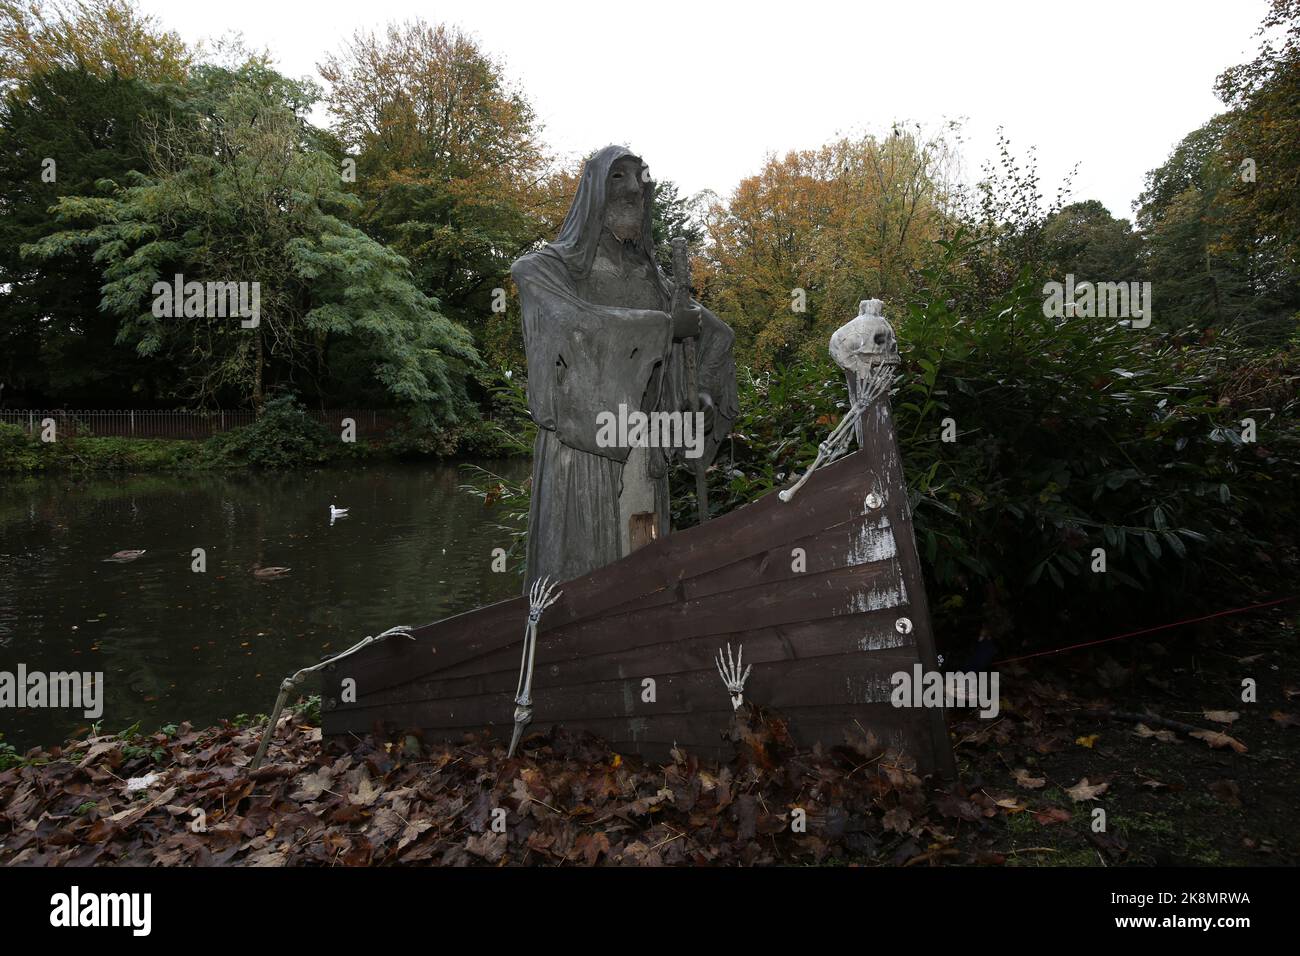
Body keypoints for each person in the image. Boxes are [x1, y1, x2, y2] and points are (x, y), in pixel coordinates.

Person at [512, 145, 737, 587]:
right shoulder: (547, 270)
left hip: (645, 450)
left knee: (644, 563)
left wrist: (701, 394)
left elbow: (714, 337)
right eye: (619, 176)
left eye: (640, 176)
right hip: (579, 455)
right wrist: (663, 327)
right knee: (584, 573)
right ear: (594, 190)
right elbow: (571, 326)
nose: (635, 187)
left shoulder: (654, 279)